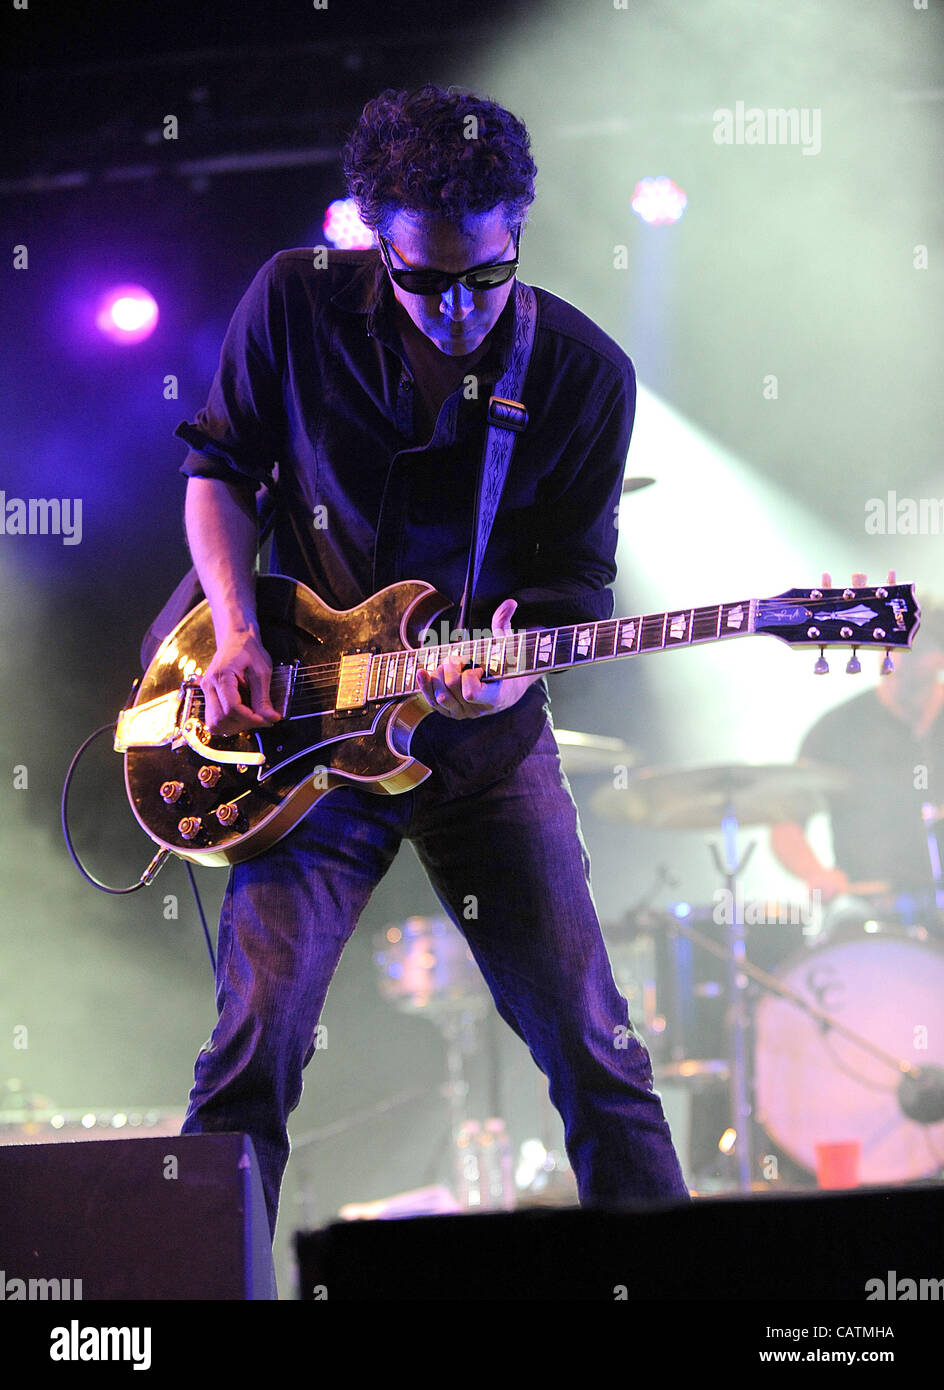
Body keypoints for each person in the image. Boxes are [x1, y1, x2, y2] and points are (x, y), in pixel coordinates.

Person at [174, 84, 689, 1239]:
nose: (455, 312)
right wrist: (240, 634)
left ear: (520, 234)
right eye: (423, 280)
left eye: (485, 278)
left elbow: (573, 587)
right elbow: (216, 468)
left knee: (595, 1049)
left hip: (481, 755)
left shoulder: (579, 373)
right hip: (308, 738)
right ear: (372, 238)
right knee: (246, 1056)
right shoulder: (293, 302)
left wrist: (504, 674)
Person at [770, 588, 944, 918]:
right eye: (890, 643)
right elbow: (785, 823)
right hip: (870, 911)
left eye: (916, 648)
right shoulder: (837, 729)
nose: (901, 658)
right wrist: (815, 874)